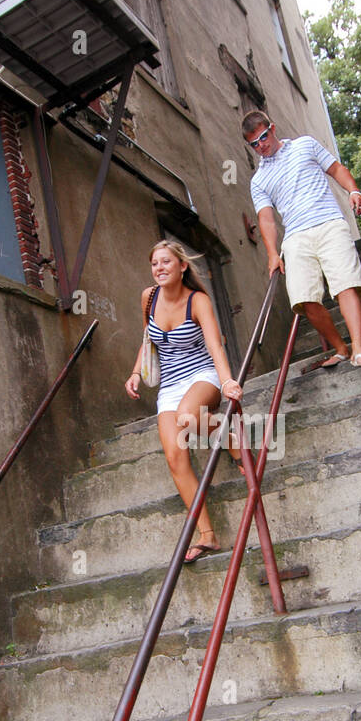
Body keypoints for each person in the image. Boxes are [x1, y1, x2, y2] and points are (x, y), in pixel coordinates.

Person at [125, 239, 243, 564]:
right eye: (154, 263)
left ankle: (230, 438)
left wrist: (229, 379)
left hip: (204, 376)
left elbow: (215, 345)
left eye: (166, 262)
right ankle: (208, 535)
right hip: (170, 385)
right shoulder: (148, 298)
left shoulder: (198, 301)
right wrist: (136, 372)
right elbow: (147, 338)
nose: (159, 268)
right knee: (175, 458)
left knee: (187, 418)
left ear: (182, 266)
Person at [243, 111, 361, 367]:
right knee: (303, 299)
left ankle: (359, 348)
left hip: (328, 222)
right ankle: (340, 348)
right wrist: (272, 253)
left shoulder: (305, 144)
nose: (261, 145)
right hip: (295, 236)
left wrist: (354, 190)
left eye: (263, 137)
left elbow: (336, 168)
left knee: (345, 283)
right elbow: (266, 219)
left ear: (272, 128)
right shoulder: (258, 181)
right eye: (254, 144)